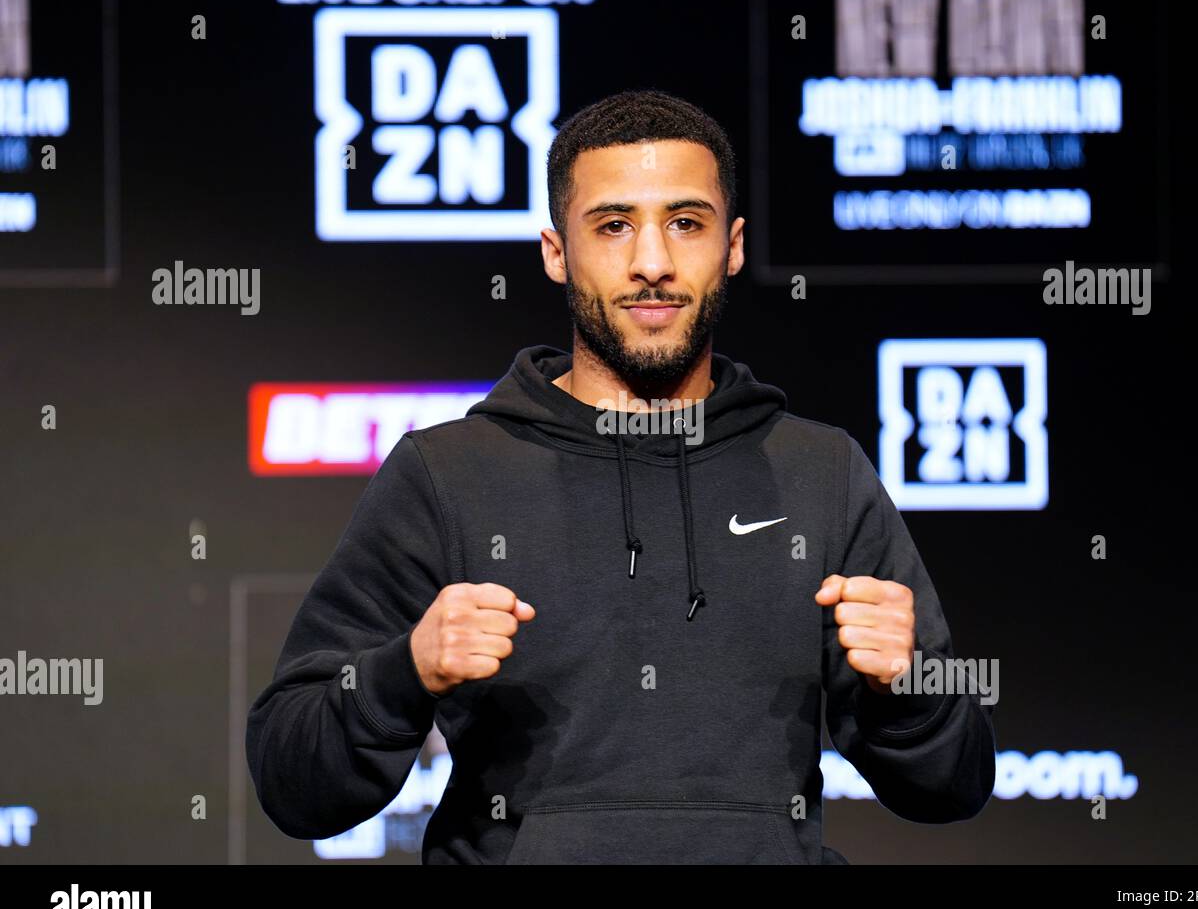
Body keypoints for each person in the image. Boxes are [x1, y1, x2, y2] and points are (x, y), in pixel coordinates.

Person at [246, 89, 996, 864]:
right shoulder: (449, 474)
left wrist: (906, 689)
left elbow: (954, 786)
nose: (652, 262)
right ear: (555, 251)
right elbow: (290, 781)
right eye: (613, 226)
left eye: (686, 222)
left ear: (732, 246)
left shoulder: (821, 472)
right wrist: (403, 672)